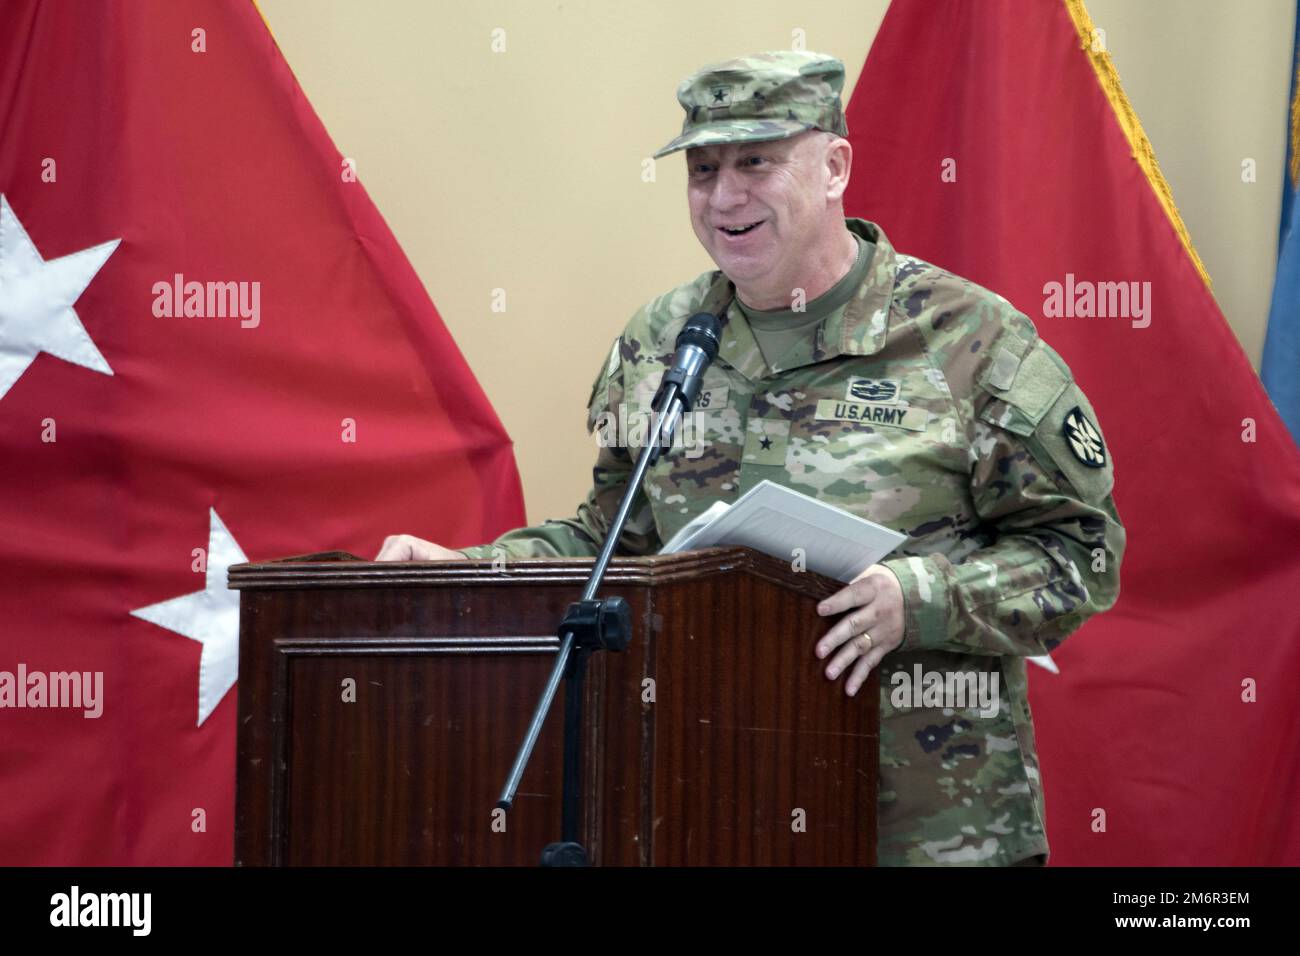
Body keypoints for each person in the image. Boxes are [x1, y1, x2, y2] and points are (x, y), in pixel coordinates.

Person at [377, 50, 1125, 866]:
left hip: (926, 833)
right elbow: (612, 542)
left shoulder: (969, 339)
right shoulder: (661, 340)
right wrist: (471, 568)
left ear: (834, 166)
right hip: (713, 812)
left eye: (756, 163)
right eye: (703, 170)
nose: (725, 196)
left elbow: (1080, 556)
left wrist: (924, 596)